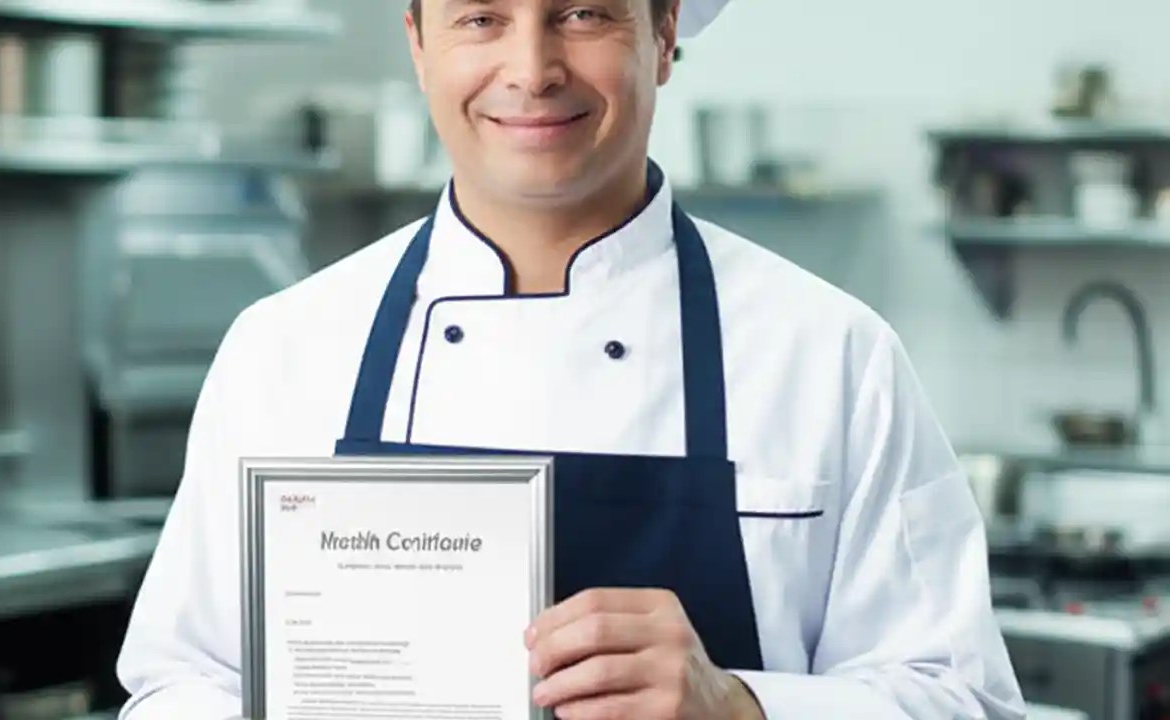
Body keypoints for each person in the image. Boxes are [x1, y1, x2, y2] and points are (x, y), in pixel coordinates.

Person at [115, 0, 1027, 718]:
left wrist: (742, 708)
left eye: (584, 12)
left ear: (664, 32)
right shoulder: (285, 349)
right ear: (419, 43)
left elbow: (964, 700)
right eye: (480, 17)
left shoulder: (829, 354)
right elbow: (179, 682)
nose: (531, 70)